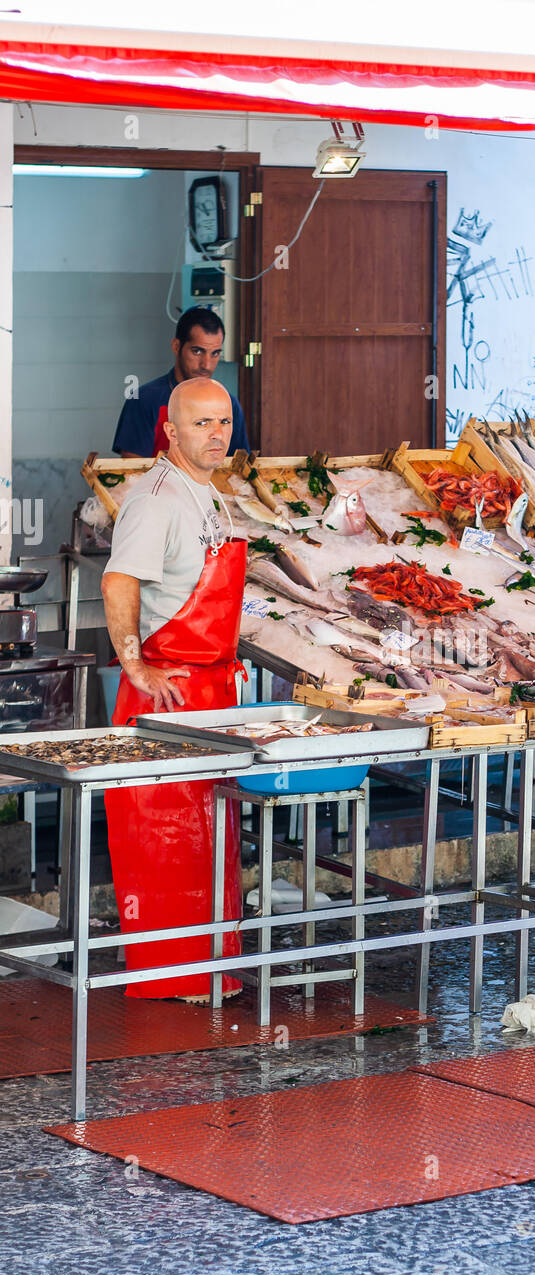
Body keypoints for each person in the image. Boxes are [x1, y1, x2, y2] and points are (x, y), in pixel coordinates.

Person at [101, 376, 247, 1003]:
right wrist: (136, 668)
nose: (217, 435)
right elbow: (118, 584)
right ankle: (172, 975)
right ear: (170, 429)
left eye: (224, 422)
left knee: (210, 837)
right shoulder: (155, 497)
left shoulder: (209, 493)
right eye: (202, 424)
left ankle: (210, 965)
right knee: (167, 843)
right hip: (168, 696)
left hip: (212, 691)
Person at [112, 306, 250, 459]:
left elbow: (238, 468)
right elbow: (132, 472)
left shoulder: (228, 404)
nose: (207, 365)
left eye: (215, 353)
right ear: (176, 346)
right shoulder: (143, 400)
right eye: (197, 351)